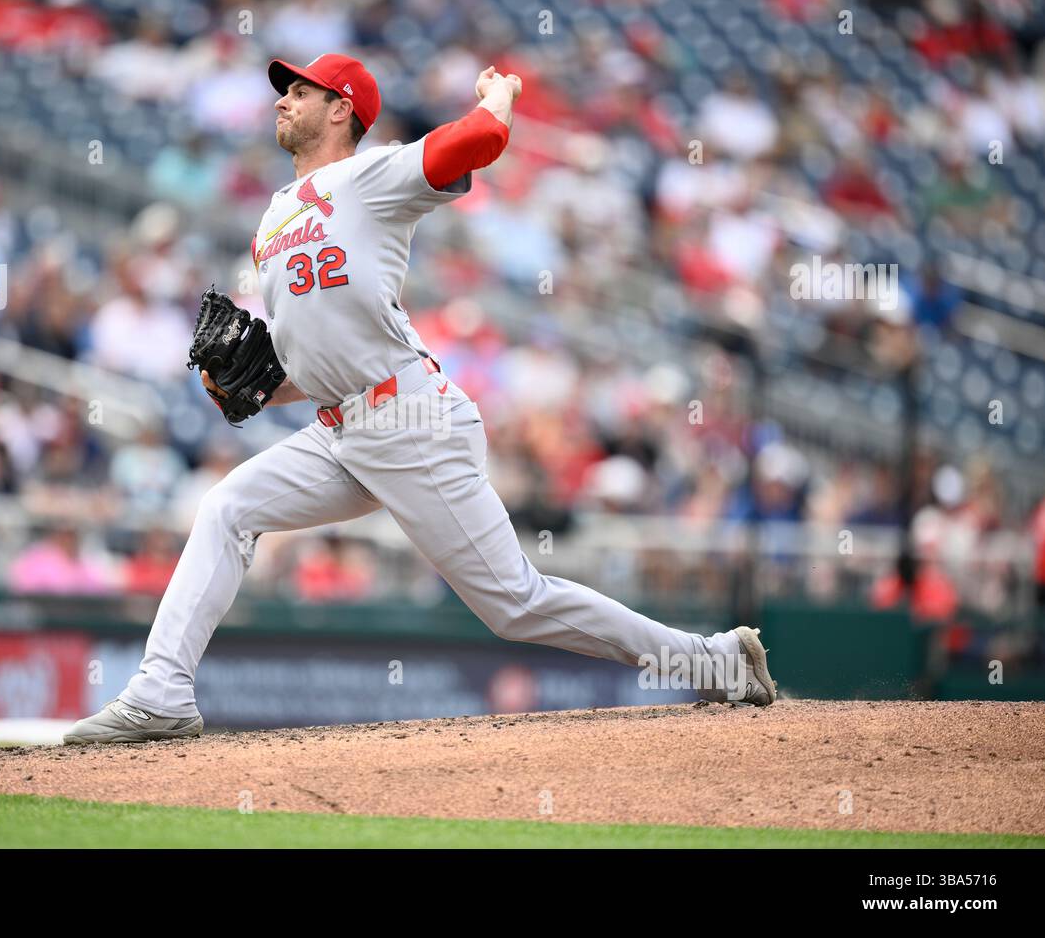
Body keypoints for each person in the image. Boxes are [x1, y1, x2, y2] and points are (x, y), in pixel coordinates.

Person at [65, 54, 777, 744]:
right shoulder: (274, 217)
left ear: (342, 108)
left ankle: (710, 662)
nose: (283, 99)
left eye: (301, 92)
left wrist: (499, 97)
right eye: (284, 91)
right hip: (341, 423)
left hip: (408, 418)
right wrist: (251, 388)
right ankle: (159, 692)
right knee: (227, 508)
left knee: (514, 603)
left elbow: (480, 139)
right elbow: (313, 361)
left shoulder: (372, 175)